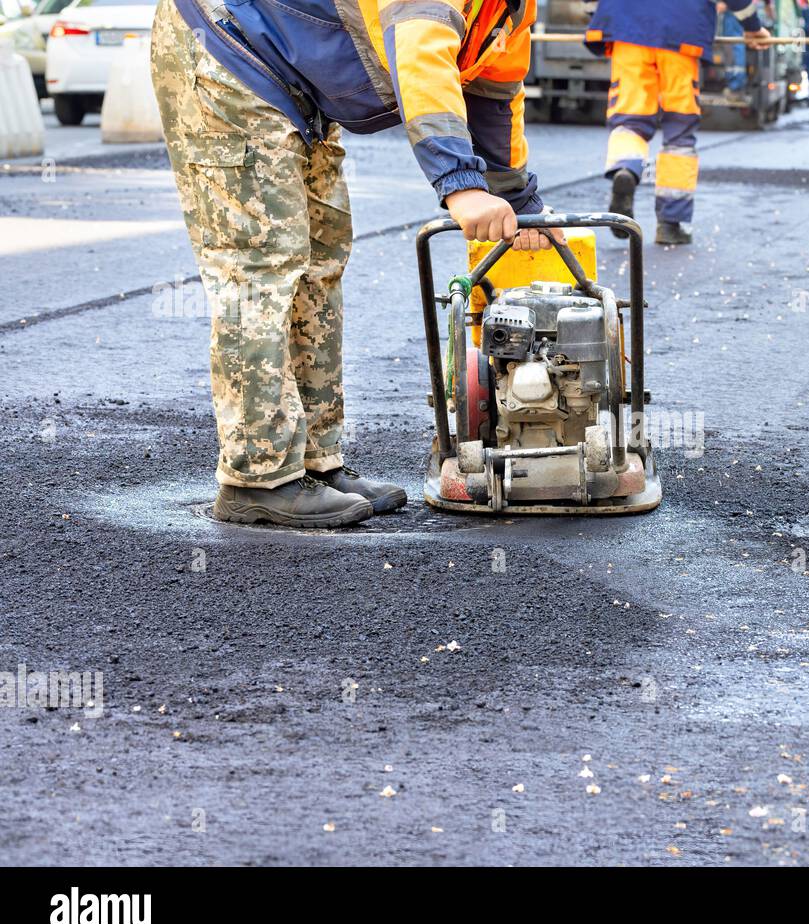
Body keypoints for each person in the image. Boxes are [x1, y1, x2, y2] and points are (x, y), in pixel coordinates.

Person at [151, 0, 558, 528]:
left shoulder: (513, 9)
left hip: (291, 76)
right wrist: (461, 184)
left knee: (320, 261)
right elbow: (420, 56)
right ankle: (257, 477)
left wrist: (519, 201)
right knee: (261, 268)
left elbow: (494, 93)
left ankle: (316, 463)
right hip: (228, 48)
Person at [585, 0, 770, 246]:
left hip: (627, 29)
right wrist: (753, 27)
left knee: (630, 119)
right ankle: (670, 224)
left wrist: (599, 16)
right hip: (681, 32)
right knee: (679, 130)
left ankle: (626, 169)